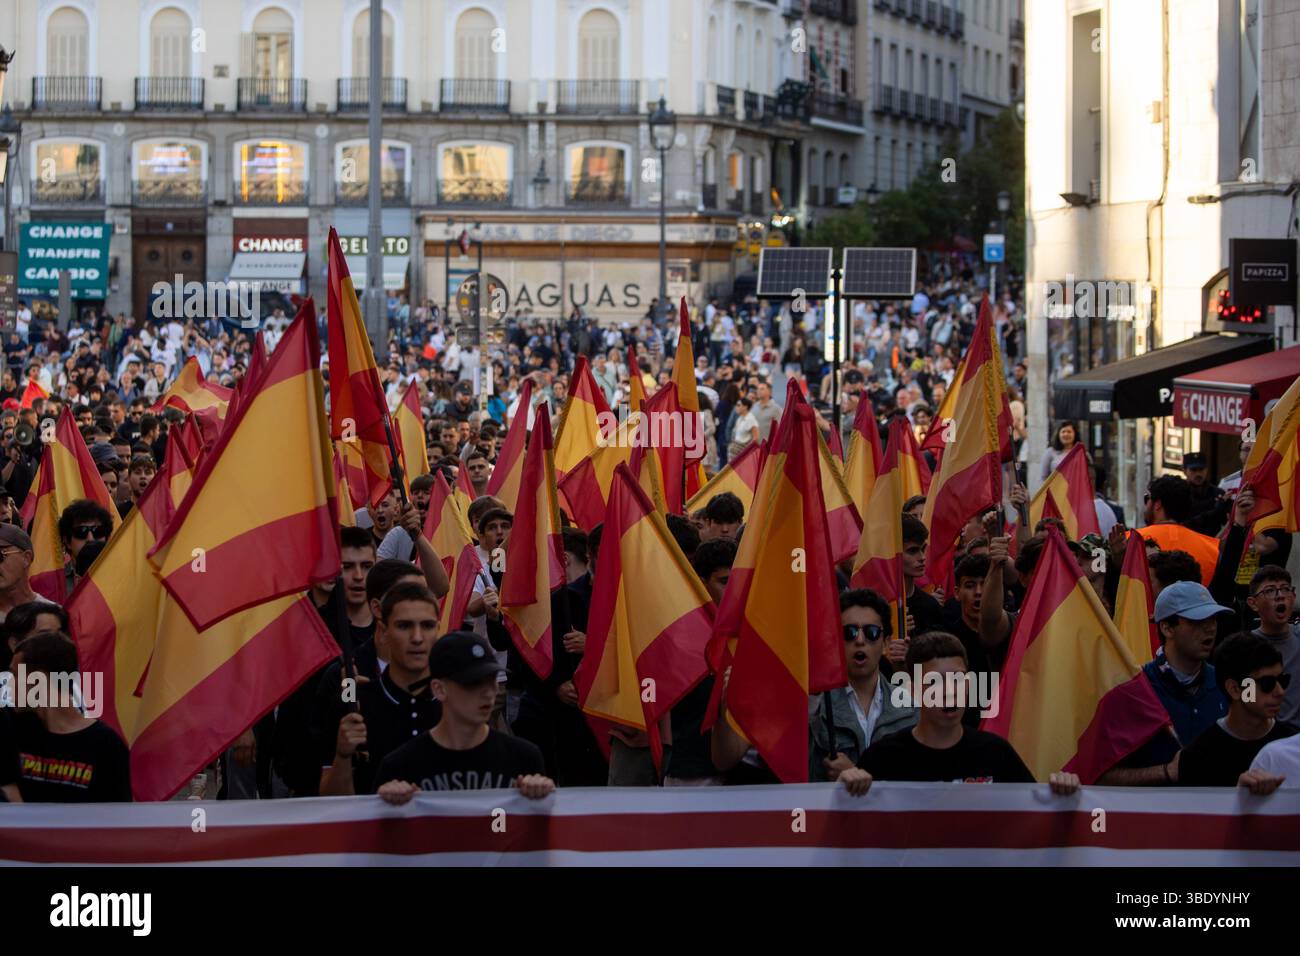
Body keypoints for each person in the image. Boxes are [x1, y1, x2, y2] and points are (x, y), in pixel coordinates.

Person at [839, 632, 1079, 793]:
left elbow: (1034, 820)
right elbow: (847, 830)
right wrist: (845, 789)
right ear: (912, 689)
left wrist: (1062, 793)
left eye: (957, 679)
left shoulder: (996, 753)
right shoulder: (883, 758)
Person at [375, 631, 554, 801]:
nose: (487, 692)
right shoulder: (400, 766)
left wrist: (543, 797)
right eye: (472, 683)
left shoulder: (525, 758)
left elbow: (539, 831)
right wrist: (387, 802)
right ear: (439, 689)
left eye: (491, 680)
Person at [1097, 582, 1231, 786]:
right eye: (1197, 620)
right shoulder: (1131, 692)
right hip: (1152, 816)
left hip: (1217, 815)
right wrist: (1165, 772)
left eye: (1213, 618)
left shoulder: (1229, 686)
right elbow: (1101, 776)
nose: (1210, 627)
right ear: (1167, 627)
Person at [319, 582, 444, 796]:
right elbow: (330, 801)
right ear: (383, 632)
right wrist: (343, 756)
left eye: (427, 625)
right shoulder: (352, 706)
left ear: (438, 629)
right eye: (404, 626)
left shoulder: (456, 702)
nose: (417, 638)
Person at [0, 631, 131, 803]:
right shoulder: (10, 728)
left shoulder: (106, 744)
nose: (9, 684)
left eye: (15, 675)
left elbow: (117, 819)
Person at [813, 589, 918, 781]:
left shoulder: (910, 708)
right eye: (849, 633)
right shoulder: (816, 707)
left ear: (886, 643)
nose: (860, 641)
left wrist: (854, 771)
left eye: (871, 633)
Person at [1177, 633, 1296, 788]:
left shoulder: (1293, 747)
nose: (1280, 691)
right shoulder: (1197, 757)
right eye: (1267, 683)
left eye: (1283, 680)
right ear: (1234, 689)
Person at [1137, 475, 1219, 585]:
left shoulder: (1130, 541)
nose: (1146, 504)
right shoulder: (1213, 549)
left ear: (1158, 504)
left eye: (1147, 499)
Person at [1245, 566, 1300, 724]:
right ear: (1253, 603)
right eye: (1270, 591)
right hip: (1265, 734)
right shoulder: (1245, 647)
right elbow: (1245, 699)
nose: (1280, 596)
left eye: (1285, 589)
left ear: (1293, 596)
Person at [56, 499, 113, 597]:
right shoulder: (56, 582)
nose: (90, 538)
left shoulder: (123, 575)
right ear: (67, 541)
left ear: (107, 538)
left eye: (98, 531)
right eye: (81, 532)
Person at [1182, 451, 1227, 536]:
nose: (1198, 474)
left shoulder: (1218, 493)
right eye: (1193, 470)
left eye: (1201, 469)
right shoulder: (1180, 493)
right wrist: (1215, 511)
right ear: (1184, 471)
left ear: (1206, 470)